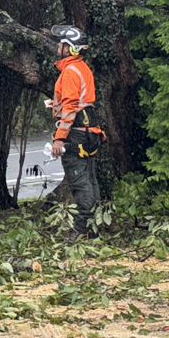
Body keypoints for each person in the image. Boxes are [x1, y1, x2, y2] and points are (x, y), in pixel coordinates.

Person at [45, 25, 101, 237]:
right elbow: (77, 102)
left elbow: (70, 109)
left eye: (62, 44)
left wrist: (59, 139)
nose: (58, 47)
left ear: (70, 49)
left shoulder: (70, 71)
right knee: (90, 179)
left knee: (80, 182)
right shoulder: (82, 68)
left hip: (76, 133)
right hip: (88, 131)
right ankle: (94, 227)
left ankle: (81, 230)